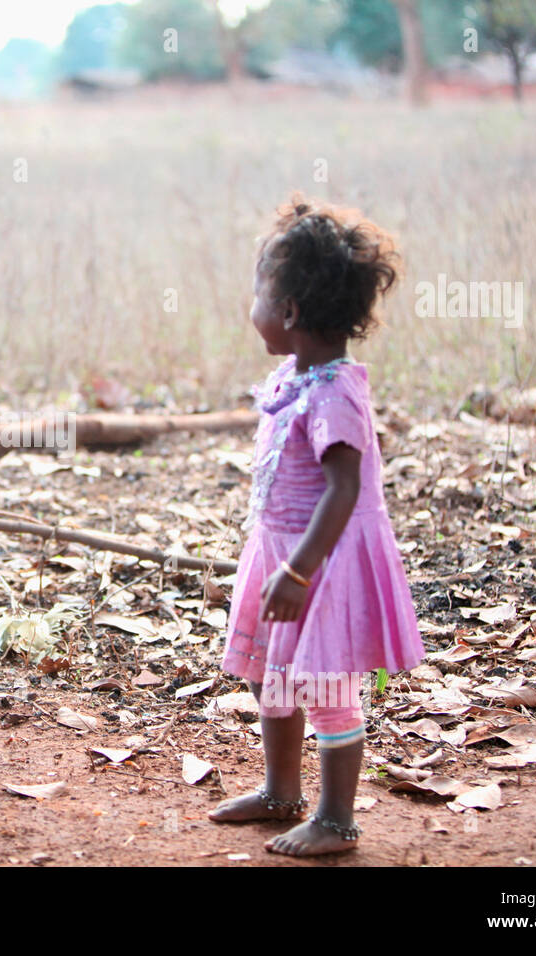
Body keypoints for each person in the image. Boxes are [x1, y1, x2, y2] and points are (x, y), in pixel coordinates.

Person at [208, 195, 425, 855]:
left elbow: (345, 488)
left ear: (290, 312)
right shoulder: (295, 377)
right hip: (281, 553)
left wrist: (300, 569)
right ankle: (281, 791)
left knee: (328, 686)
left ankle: (336, 818)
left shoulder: (334, 394)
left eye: (258, 294)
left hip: (320, 565)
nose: (252, 308)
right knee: (265, 672)